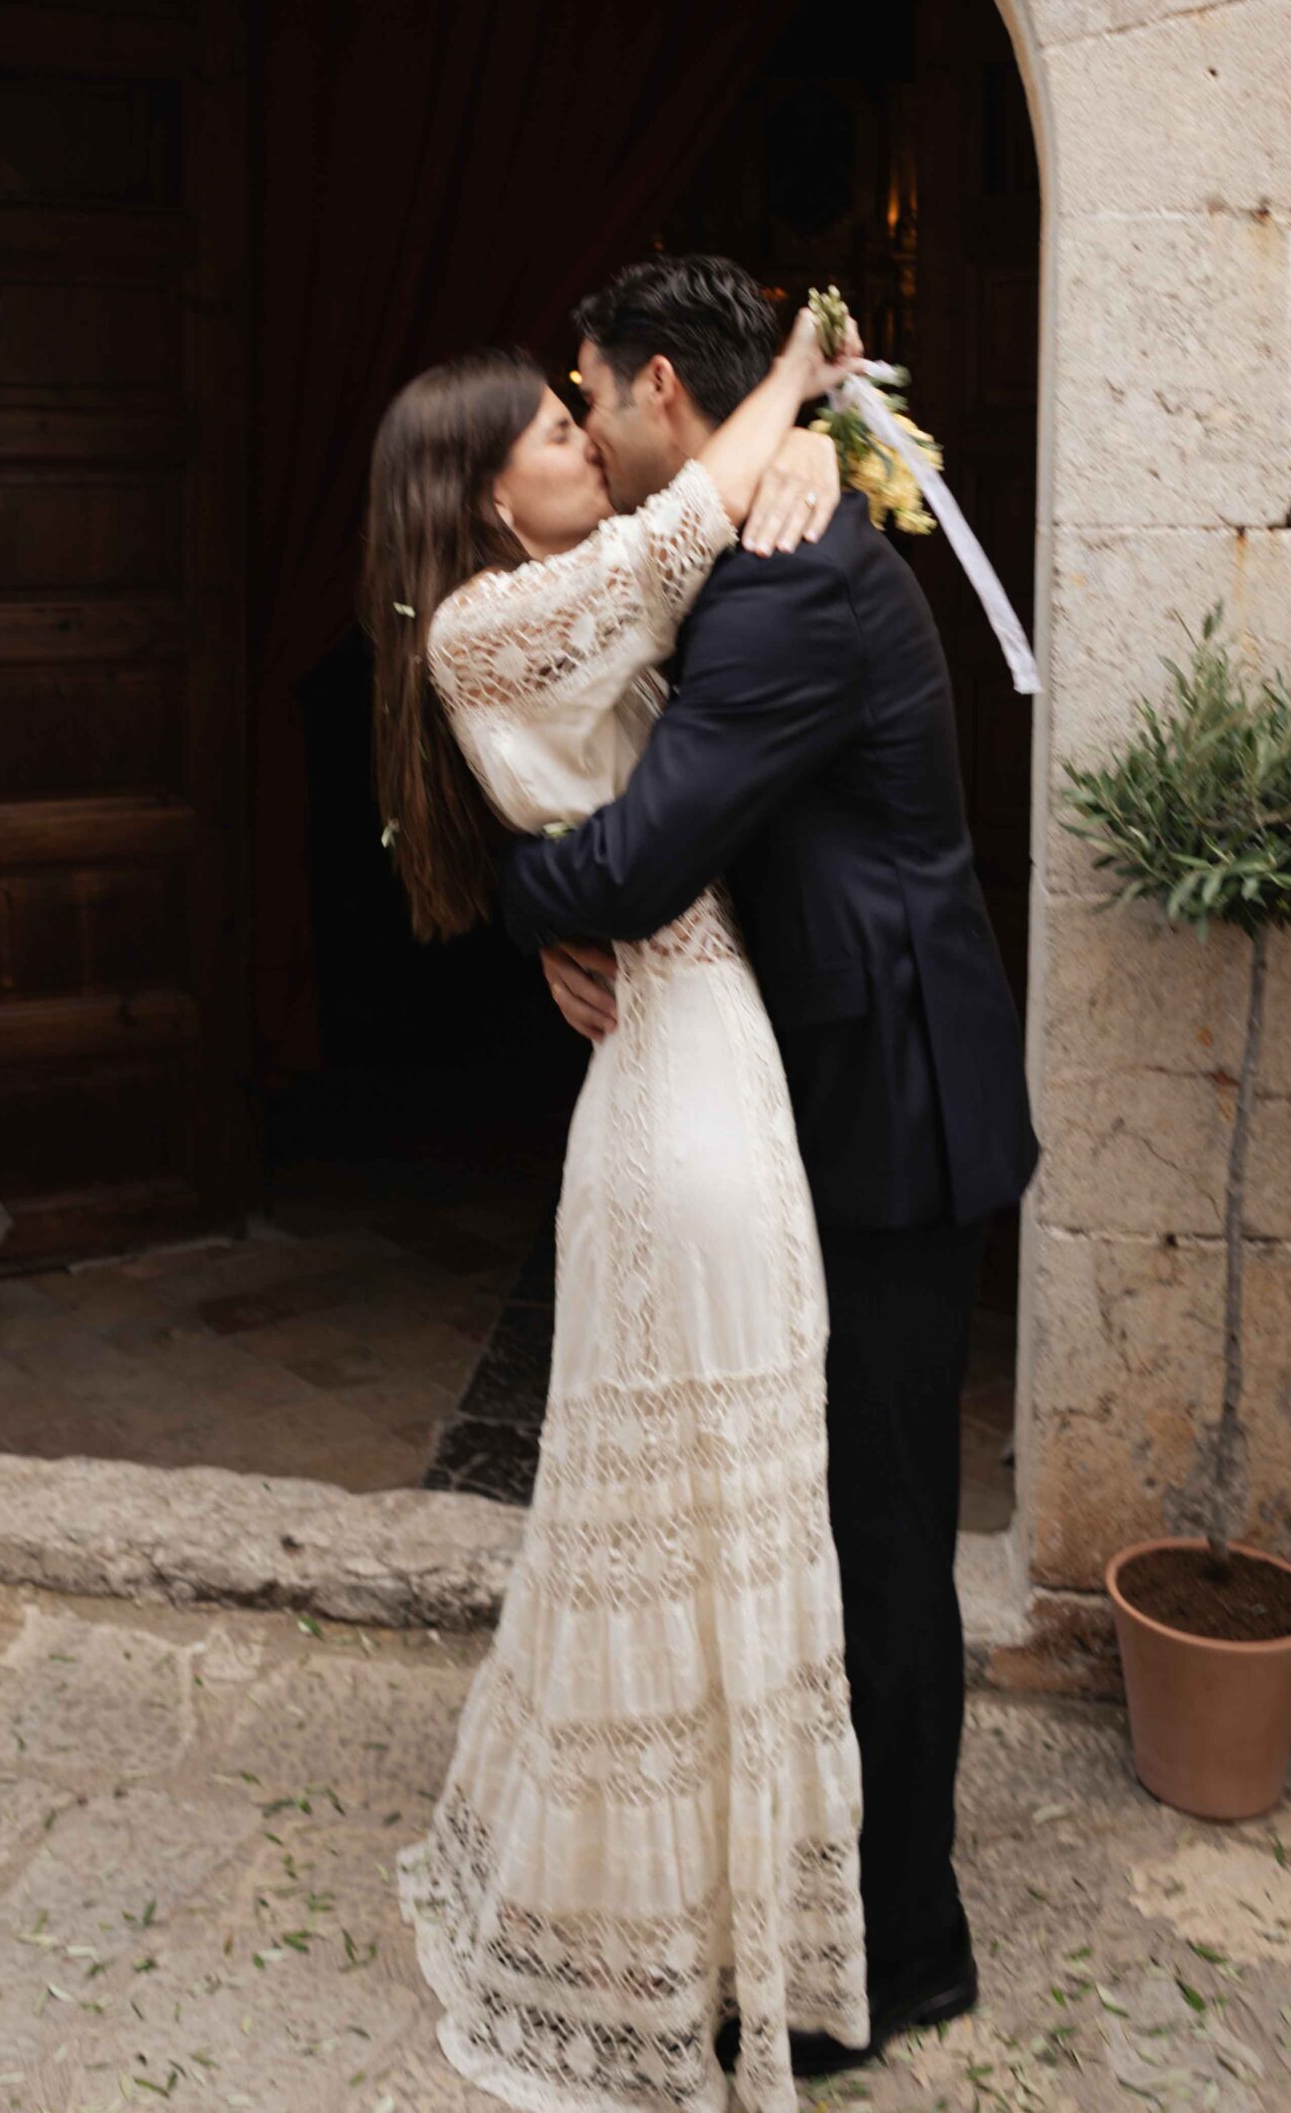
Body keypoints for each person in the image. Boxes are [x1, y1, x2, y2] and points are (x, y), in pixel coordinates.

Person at [500, 254, 1041, 2080]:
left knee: (881, 1539)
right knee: (831, 1522)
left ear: (666, 390)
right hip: (849, 1084)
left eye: (585, 397)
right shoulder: (749, 542)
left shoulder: (788, 581)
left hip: (893, 1109)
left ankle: (906, 1954)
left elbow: (647, 855)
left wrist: (521, 898)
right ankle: (813, 1907)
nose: (574, 428)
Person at [365, 307, 868, 2113]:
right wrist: (795, 384)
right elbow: (678, 537)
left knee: (705, 1490)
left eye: (581, 418)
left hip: (681, 1036)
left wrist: (797, 450)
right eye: (551, 433)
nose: (587, 438)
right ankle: (651, 1943)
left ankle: (701, 1925)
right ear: (484, 498)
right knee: (695, 1493)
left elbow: (692, 547)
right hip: (677, 1074)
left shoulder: (527, 623)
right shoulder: (496, 624)